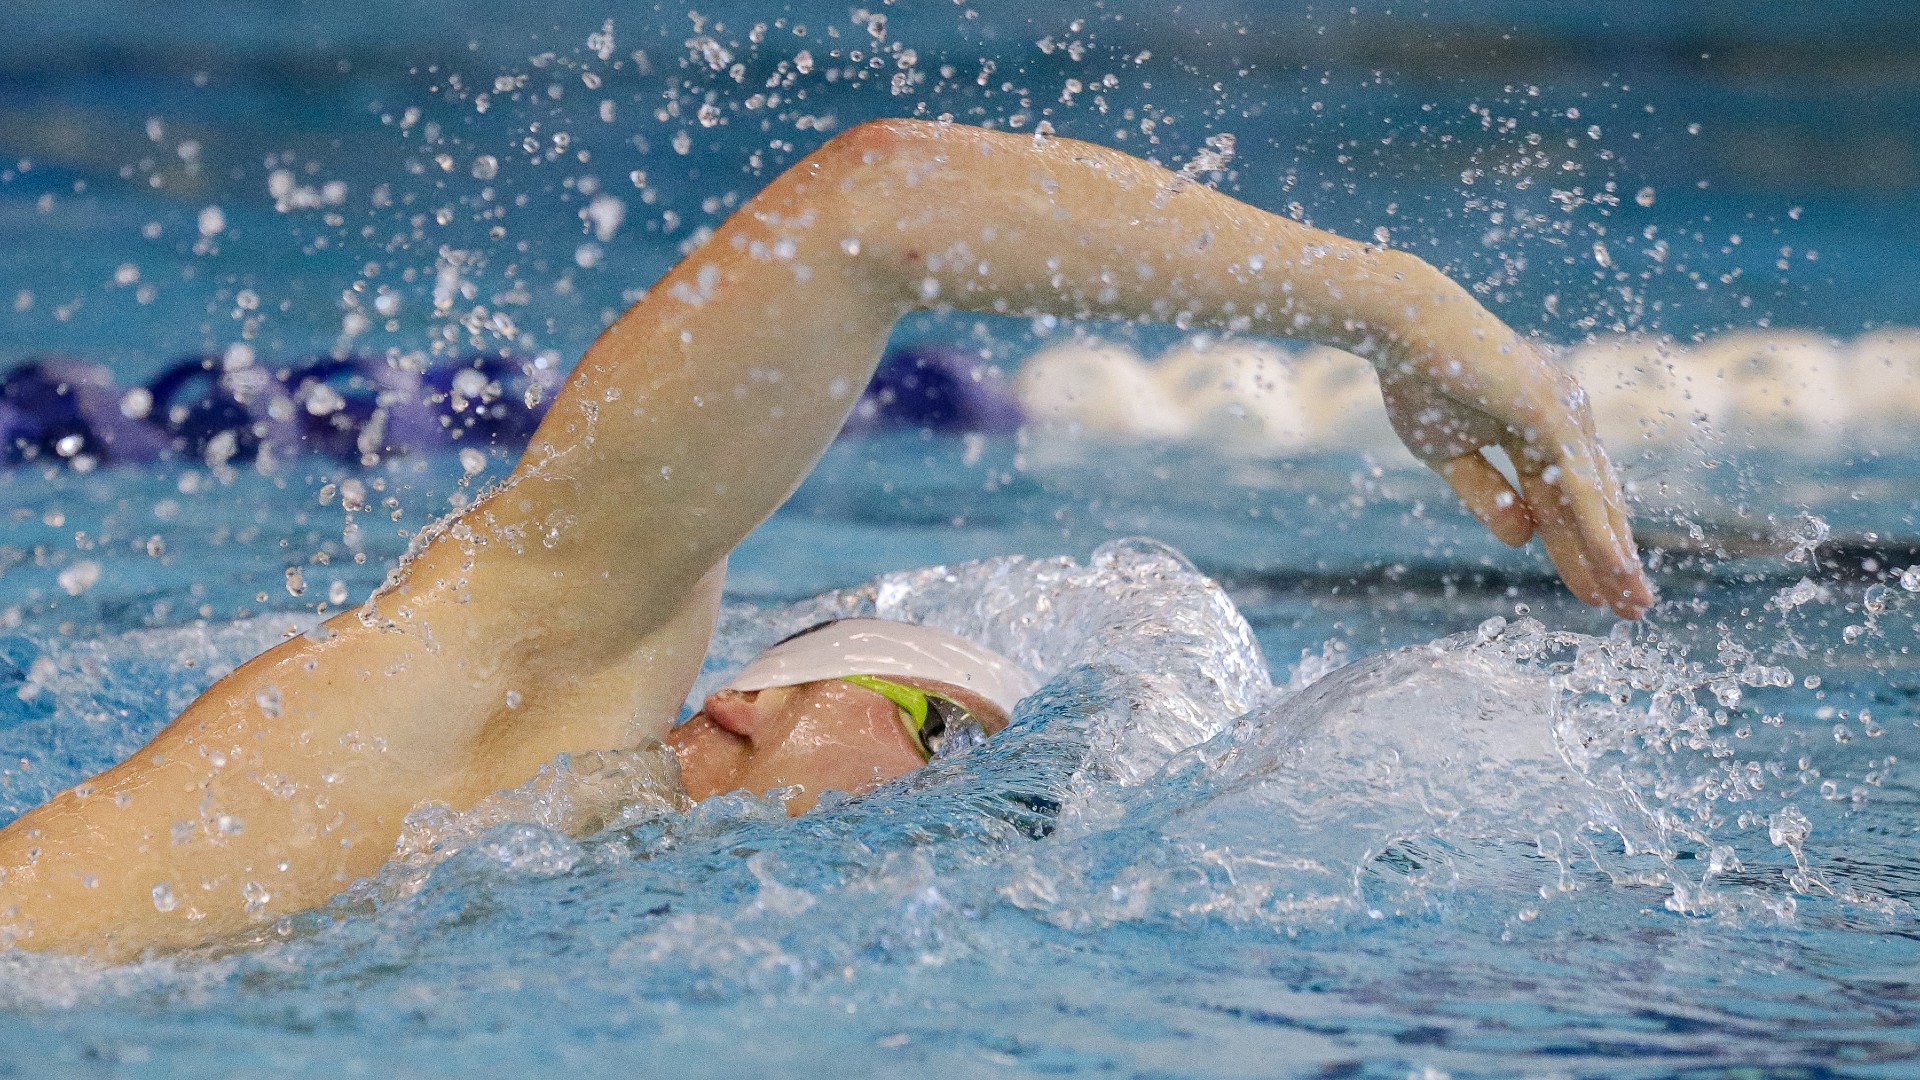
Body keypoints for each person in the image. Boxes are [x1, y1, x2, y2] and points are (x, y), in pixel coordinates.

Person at [0, 119, 1653, 959]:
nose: (964, 817)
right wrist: (1399, 308)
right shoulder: (536, 666)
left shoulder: (548, 880)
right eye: (954, 744)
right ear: (743, 699)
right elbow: (875, 206)